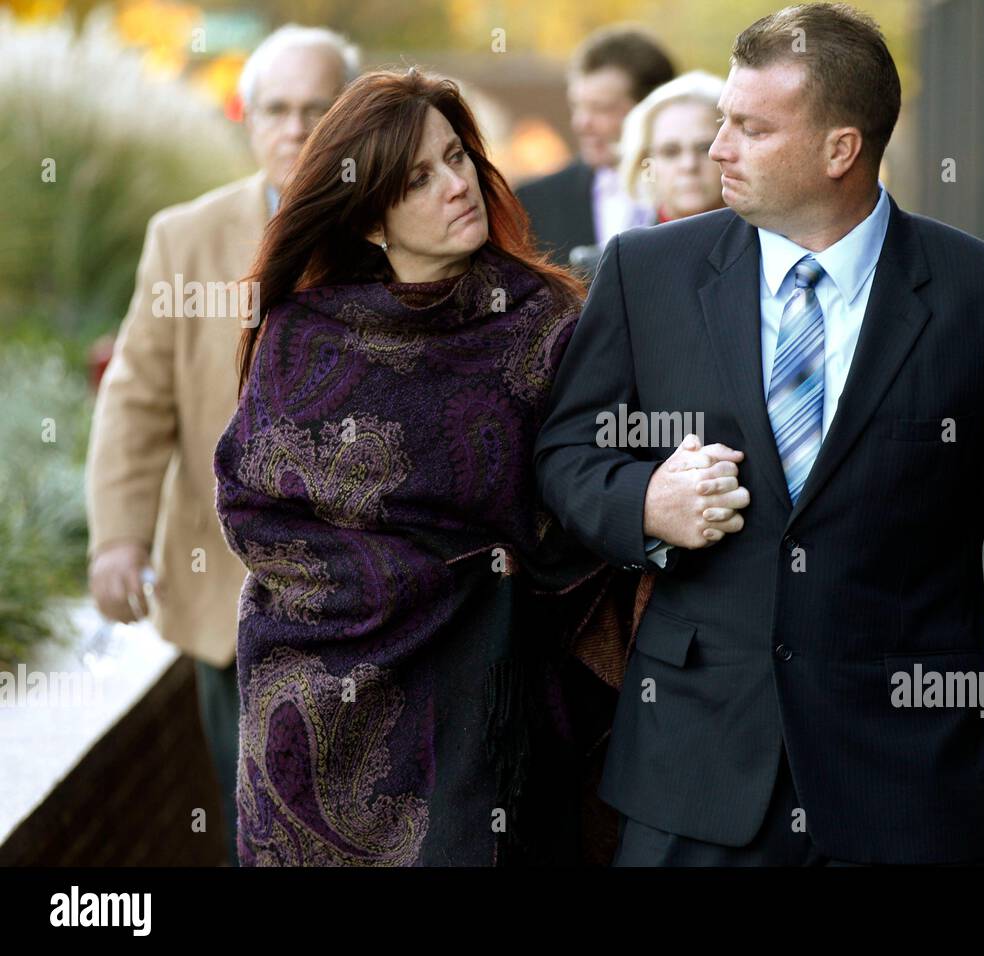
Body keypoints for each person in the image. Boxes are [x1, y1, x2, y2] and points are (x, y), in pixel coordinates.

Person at [534, 2, 984, 866]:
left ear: (840, 150)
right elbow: (565, 456)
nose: (718, 151)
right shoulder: (647, 273)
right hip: (697, 775)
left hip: (902, 787)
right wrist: (644, 502)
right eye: (721, 124)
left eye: (749, 127)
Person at [213, 67, 631, 866]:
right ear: (372, 219)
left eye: (456, 157)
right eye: (418, 178)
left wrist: (495, 580)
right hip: (319, 723)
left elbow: (583, 505)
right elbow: (253, 508)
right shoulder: (305, 336)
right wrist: (419, 579)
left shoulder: (547, 324)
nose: (455, 184)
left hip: (492, 713)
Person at [85, 24, 361, 866]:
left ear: (349, 119)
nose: (293, 127)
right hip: (228, 595)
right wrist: (120, 537)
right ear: (248, 120)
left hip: (372, 596)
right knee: (258, 824)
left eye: (317, 109)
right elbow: (138, 400)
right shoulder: (186, 236)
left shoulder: (402, 228)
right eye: (274, 108)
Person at [515, 24, 676, 274]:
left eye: (602, 108)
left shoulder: (699, 192)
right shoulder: (533, 203)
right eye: (577, 107)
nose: (581, 124)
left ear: (652, 111)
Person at [618, 70, 726, 224]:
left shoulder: (769, 245)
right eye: (670, 152)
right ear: (645, 163)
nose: (689, 165)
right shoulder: (621, 248)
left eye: (705, 149)